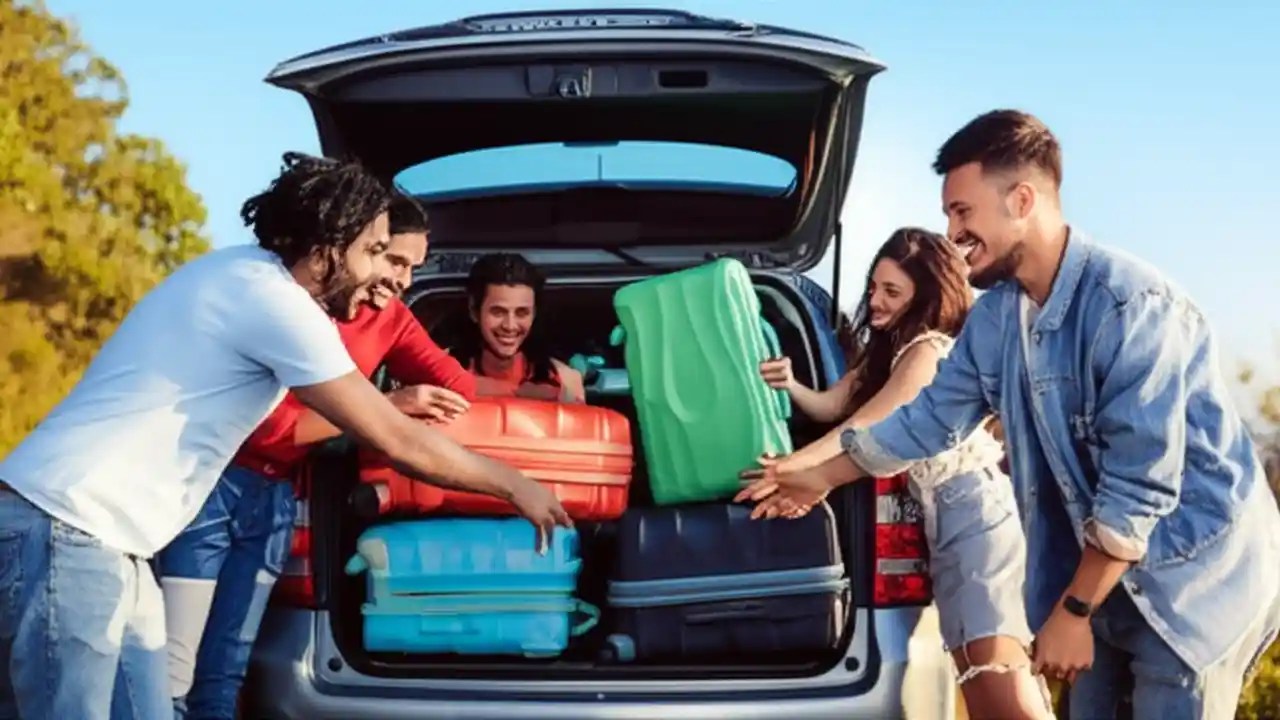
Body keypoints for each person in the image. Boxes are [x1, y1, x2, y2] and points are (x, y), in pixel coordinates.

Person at [739, 110, 1280, 718]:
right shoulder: (997, 318)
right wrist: (818, 478)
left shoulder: (1132, 306)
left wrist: (1073, 612)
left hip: (1194, 581)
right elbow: (928, 421)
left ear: (1022, 199)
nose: (952, 233)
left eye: (963, 212)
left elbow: (1139, 488)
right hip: (1101, 580)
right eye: (948, 214)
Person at [0, 153, 569, 720]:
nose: (380, 275)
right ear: (326, 250)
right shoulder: (269, 300)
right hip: (65, 528)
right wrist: (515, 485)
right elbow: (397, 437)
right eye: (373, 252)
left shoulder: (248, 279)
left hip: (112, 543)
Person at [157, 193, 476, 719]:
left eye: (413, 268)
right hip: (213, 491)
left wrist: (549, 382)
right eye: (394, 260)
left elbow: (457, 384)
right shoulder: (295, 308)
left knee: (226, 670)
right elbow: (271, 429)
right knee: (173, 668)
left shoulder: (391, 318)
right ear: (361, 248)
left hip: (278, 500)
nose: (403, 280)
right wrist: (386, 406)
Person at [748, 228, 1052, 719]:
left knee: (999, 681)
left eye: (892, 292)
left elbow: (861, 427)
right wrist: (793, 386)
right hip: (949, 523)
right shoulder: (886, 353)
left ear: (926, 295)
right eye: (873, 288)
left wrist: (790, 470)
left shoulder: (928, 351)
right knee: (983, 677)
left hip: (976, 520)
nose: (875, 301)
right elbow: (834, 407)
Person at [453, 252, 586, 403]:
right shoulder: (439, 368)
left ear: (534, 314)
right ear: (474, 311)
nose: (510, 326)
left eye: (522, 313)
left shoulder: (565, 380)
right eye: (498, 312)